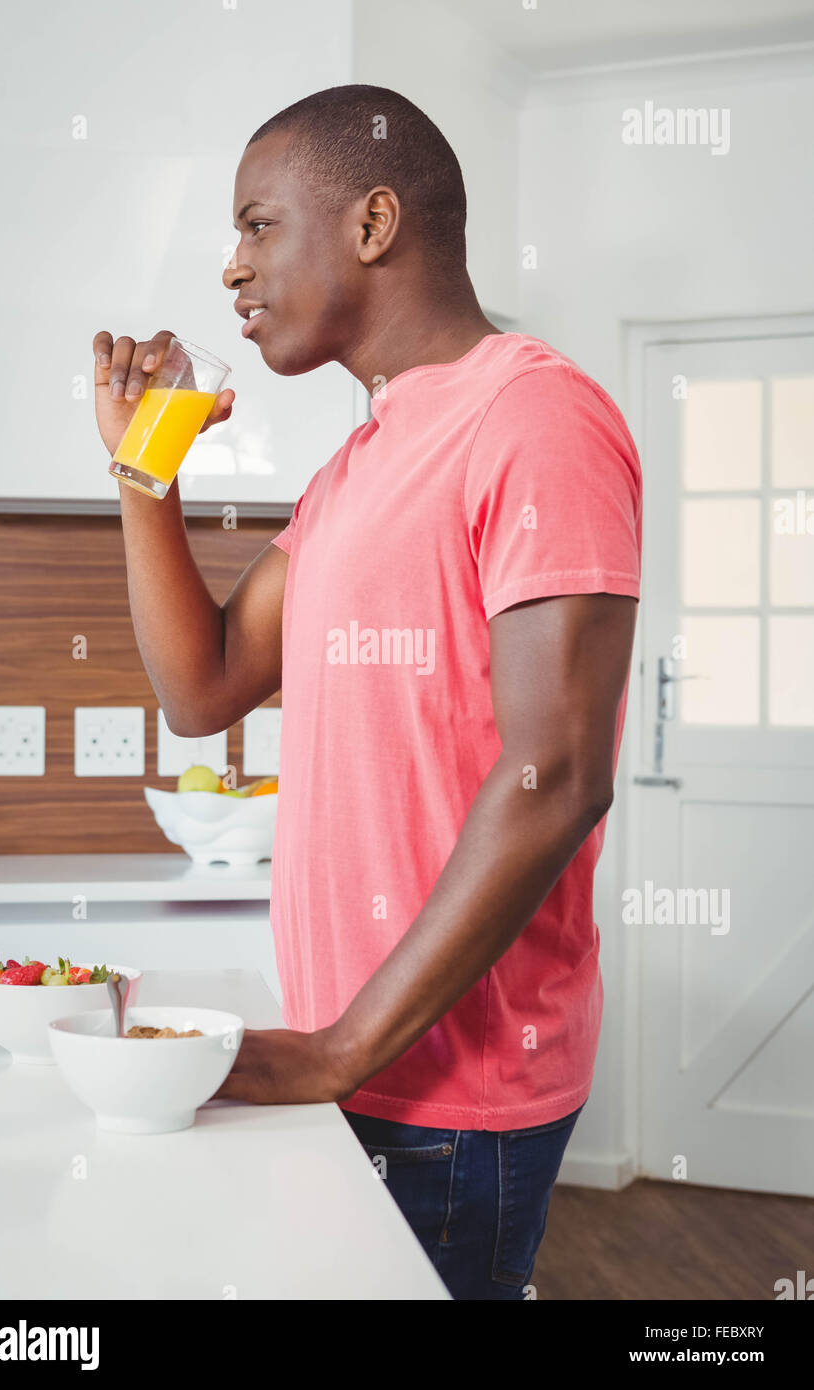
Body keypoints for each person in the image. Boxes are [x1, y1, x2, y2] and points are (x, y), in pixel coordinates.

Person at [92, 84, 641, 1301]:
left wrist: (338, 1049)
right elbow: (206, 687)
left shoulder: (532, 416)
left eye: (256, 226)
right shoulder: (364, 460)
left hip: (443, 1093)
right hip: (357, 1063)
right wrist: (145, 470)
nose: (230, 271)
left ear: (373, 222)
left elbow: (557, 778)